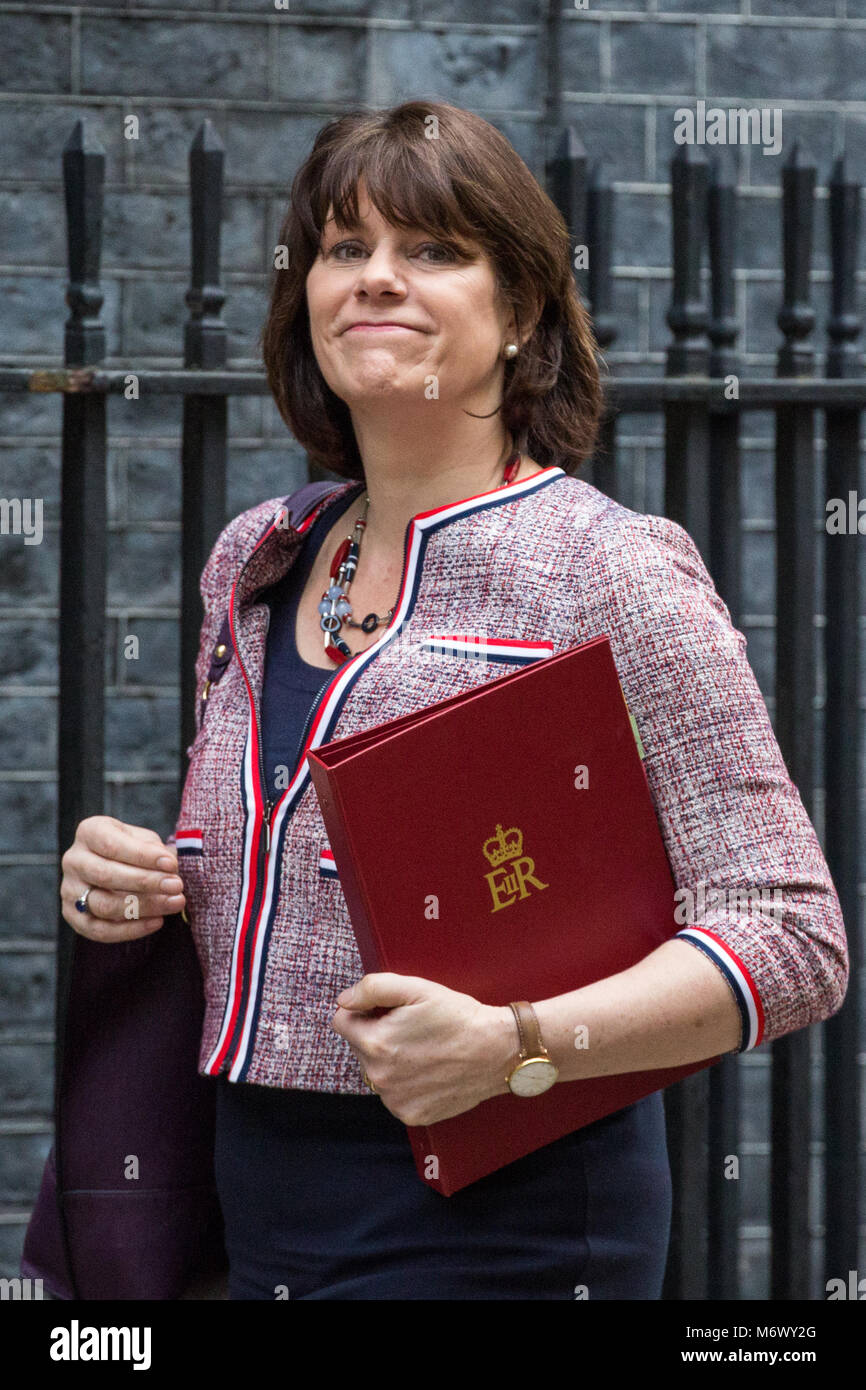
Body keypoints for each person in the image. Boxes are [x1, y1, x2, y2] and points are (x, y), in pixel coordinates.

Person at [55, 100, 848, 1300]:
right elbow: (278, 881)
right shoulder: (259, 558)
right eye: (341, 247)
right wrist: (133, 886)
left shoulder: (608, 566)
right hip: (246, 1209)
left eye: (431, 249)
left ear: (521, 311)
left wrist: (517, 1043)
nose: (375, 279)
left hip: (500, 1222)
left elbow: (790, 935)